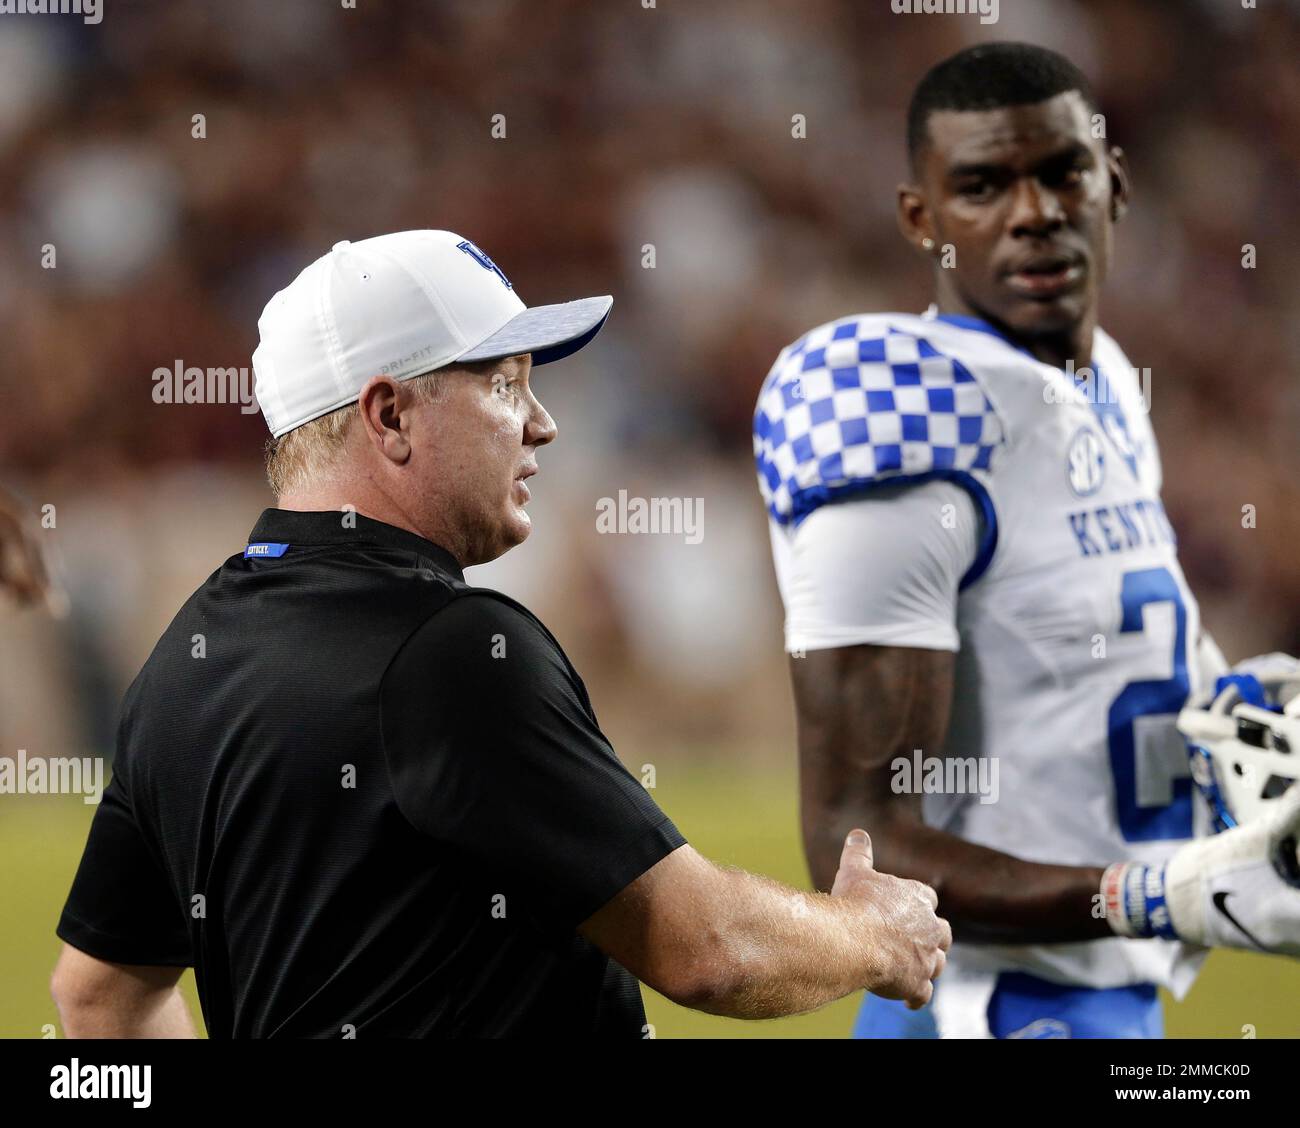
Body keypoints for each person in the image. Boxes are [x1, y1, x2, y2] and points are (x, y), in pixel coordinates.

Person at [51, 229, 949, 1038]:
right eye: (504, 385)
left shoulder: (181, 663)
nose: (543, 424)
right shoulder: (453, 648)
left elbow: (97, 997)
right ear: (390, 415)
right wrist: (877, 936)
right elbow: (707, 949)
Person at [753, 43, 1300, 1038]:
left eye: (1061, 173)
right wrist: (1153, 895)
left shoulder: (1102, 385)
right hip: (986, 1009)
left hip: (1102, 999)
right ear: (921, 217)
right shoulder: (904, 413)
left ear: (1113, 185)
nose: (1033, 212)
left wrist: (1219, 694)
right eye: (982, 185)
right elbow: (855, 841)